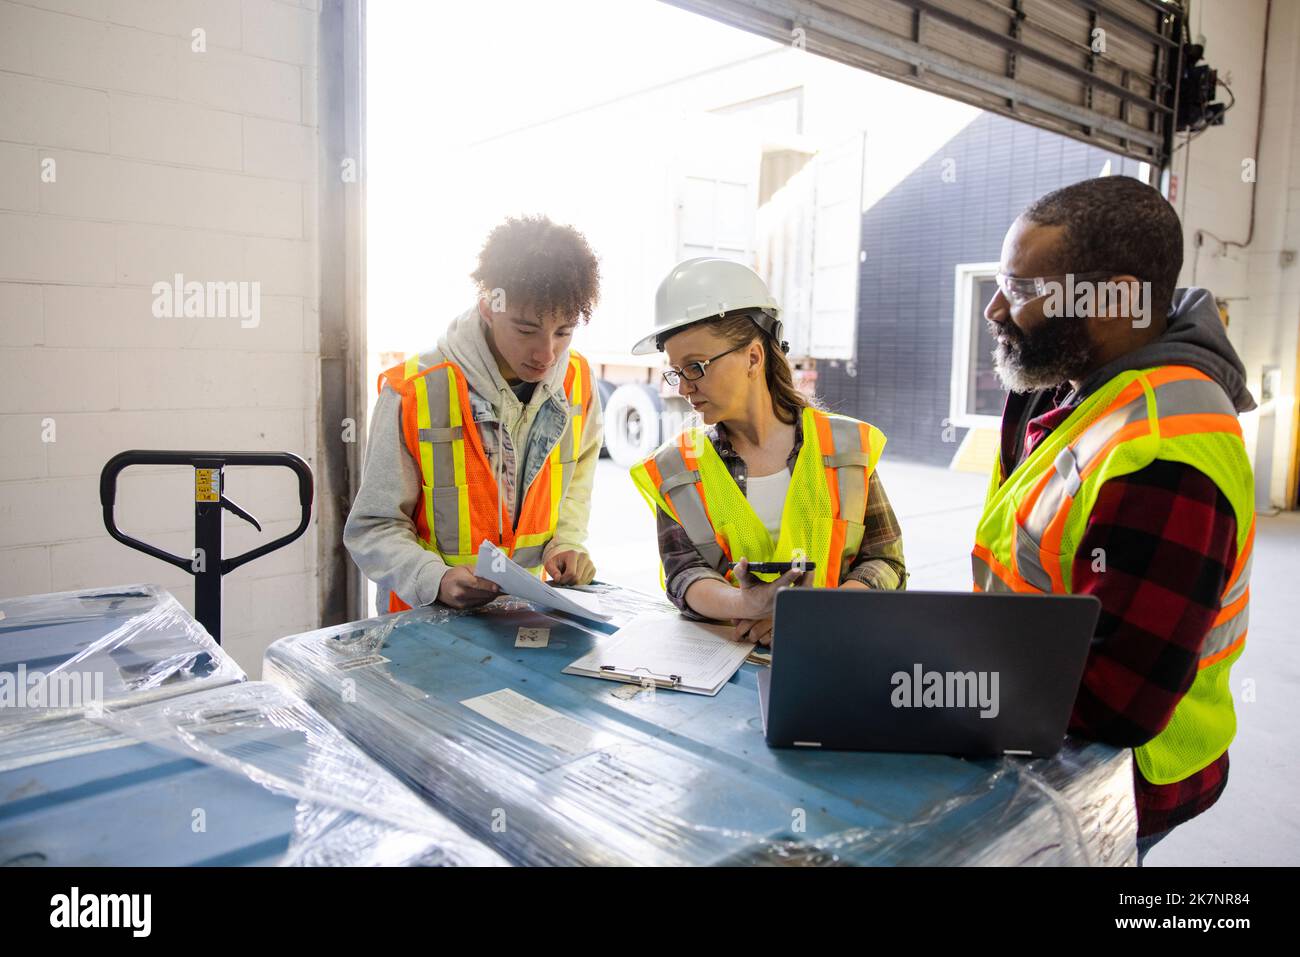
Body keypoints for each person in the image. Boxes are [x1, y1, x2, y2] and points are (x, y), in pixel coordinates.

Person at [974, 176, 1255, 864]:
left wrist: (931, 682)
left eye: (1020, 289)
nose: (993, 310)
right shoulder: (1067, 388)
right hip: (1034, 717)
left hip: (1124, 775)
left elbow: (1118, 699)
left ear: (1115, 297)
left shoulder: (1164, 450)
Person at [629, 258, 907, 646]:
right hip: (727, 672)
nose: (683, 387)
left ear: (754, 358)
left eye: (696, 367)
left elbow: (885, 560)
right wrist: (748, 603)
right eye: (676, 371)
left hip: (837, 650)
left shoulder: (845, 449)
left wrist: (816, 616)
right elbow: (683, 572)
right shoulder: (676, 468)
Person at [345, 215, 604, 613]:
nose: (546, 354)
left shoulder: (578, 382)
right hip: (423, 627)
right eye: (525, 329)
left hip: (522, 623)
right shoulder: (414, 390)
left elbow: (575, 486)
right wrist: (437, 578)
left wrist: (566, 541)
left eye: (563, 332)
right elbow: (373, 528)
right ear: (488, 307)